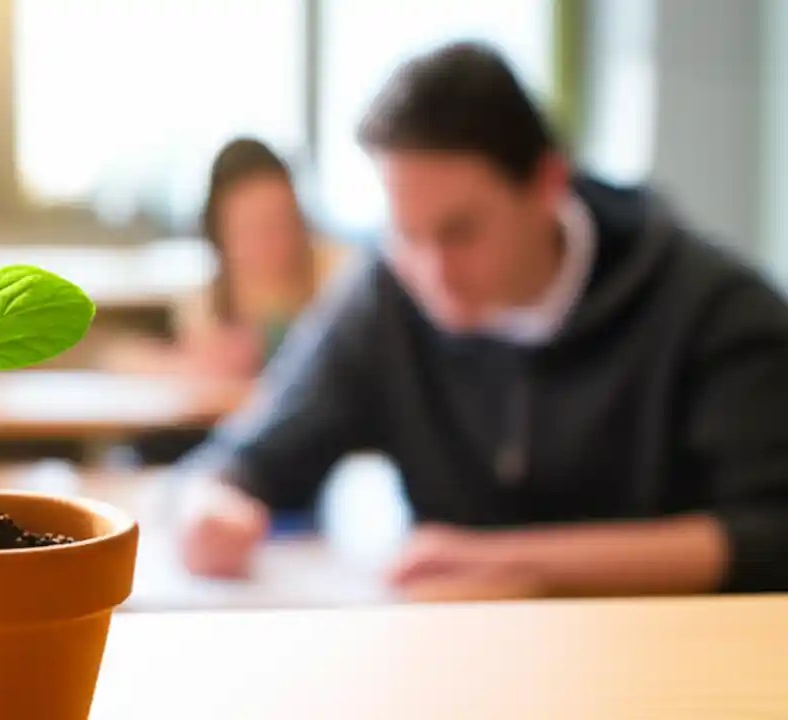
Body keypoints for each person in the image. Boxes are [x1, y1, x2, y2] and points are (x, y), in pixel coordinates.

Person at [179, 42, 788, 599]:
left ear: (548, 183)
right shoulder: (385, 295)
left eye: (460, 232)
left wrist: (518, 564)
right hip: (458, 667)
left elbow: (769, 535)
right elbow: (248, 459)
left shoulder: (713, 308)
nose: (433, 273)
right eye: (407, 234)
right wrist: (215, 506)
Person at [105, 138, 323, 379]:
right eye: (251, 230)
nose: (273, 245)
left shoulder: (338, 285)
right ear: (220, 234)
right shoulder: (205, 305)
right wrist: (192, 365)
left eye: (281, 223)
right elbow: (118, 357)